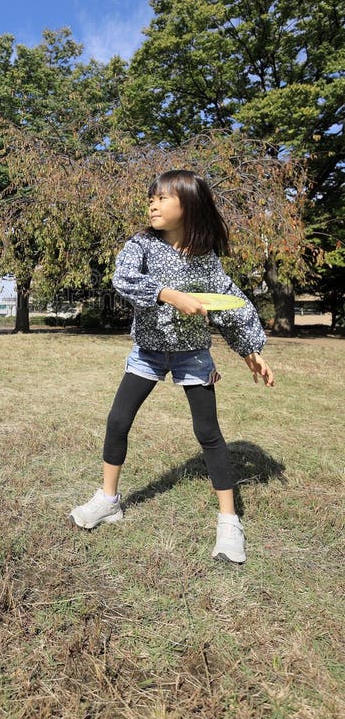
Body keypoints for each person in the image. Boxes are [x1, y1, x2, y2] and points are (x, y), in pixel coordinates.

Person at [69, 169, 274, 564]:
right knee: (117, 421)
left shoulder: (206, 259)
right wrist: (168, 294)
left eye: (163, 198)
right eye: (152, 197)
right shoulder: (142, 245)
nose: (152, 203)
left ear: (189, 204)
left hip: (193, 353)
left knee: (208, 433)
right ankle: (109, 500)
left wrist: (251, 350)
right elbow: (122, 279)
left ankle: (229, 521)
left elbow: (229, 304)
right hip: (147, 351)